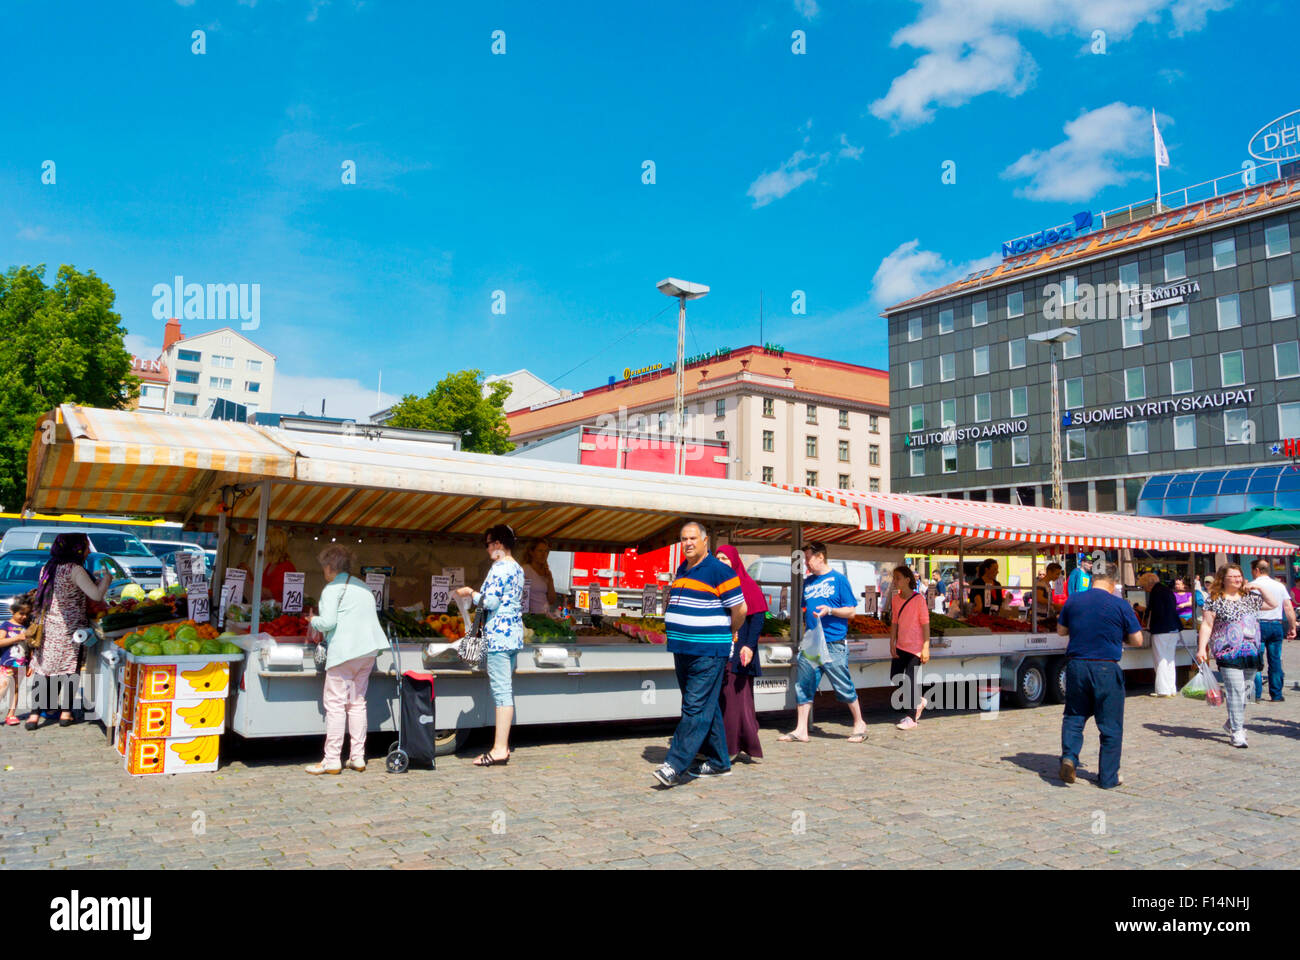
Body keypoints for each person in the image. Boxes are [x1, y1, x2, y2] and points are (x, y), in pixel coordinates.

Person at [654, 521, 746, 787]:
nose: (688, 543)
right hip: (683, 648)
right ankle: (719, 762)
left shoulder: (719, 571)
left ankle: (674, 764)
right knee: (706, 705)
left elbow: (739, 610)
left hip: (708, 650)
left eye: (693, 538)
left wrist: (727, 632)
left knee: (693, 706)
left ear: (706, 541)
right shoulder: (683, 568)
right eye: (684, 539)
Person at [305, 545, 389, 774]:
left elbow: (329, 622)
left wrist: (314, 620)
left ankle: (332, 759)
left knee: (335, 705)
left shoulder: (332, 589)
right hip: (367, 654)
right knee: (356, 703)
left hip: (344, 655)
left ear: (330, 567)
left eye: (324, 566)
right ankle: (358, 757)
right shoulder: (363, 587)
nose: (324, 571)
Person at [1056, 573, 1143, 788]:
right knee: (1110, 725)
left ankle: (1069, 757)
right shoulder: (1120, 604)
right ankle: (1108, 777)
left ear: (1093, 581)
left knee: (1074, 716)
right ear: (1113, 584)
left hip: (1077, 665)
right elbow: (1138, 640)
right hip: (1106, 667)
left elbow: (1060, 631)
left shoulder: (1074, 600)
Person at [778, 542, 869, 744]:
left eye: (808, 558)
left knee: (842, 684)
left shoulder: (839, 580)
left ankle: (859, 723)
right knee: (804, 685)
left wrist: (831, 610)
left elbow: (851, 611)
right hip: (811, 643)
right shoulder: (808, 582)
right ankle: (801, 729)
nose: (806, 563)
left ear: (820, 557)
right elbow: (804, 610)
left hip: (833, 642)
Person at [25, 533, 111, 730]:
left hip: (47, 627)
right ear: (76, 548)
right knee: (70, 670)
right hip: (70, 629)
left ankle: (33, 716)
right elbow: (96, 595)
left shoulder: (48, 567)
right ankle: (65, 713)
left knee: (42, 670)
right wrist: (106, 579)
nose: (88, 550)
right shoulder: (75, 569)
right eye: (86, 546)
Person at [456, 524, 525, 767]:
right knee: (505, 691)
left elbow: (491, 601)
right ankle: (502, 746)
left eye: (488, 544)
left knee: (501, 693)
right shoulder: (517, 568)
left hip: (497, 637)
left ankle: (499, 749)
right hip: (514, 636)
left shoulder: (499, 566)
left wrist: (470, 593)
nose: (487, 550)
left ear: (497, 544)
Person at [1197, 564, 1275, 748]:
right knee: (1236, 691)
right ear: (1223, 579)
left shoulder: (1249, 598)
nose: (1237, 579)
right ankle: (1238, 731)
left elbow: (1273, 604)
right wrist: (1202, 648)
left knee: (1246, 692)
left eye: (1239, 576)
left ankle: (1232, 722)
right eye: (1232, 576)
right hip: (1227, 651)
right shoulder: (1214, 599)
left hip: (1251, 650)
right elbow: (1207, 625)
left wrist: (1260, 587)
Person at [714, 545, 766, 763]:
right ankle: (742, 741)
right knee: (730, 700)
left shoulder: (746, 584)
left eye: (726, 558)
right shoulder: (716, 583)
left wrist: (749, 646)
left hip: (740, 651)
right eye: (718, 558)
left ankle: (731, 746)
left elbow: (758, 617)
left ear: (734, 561)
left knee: (735, 700)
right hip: (720, 648)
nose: (722, 562)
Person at [888, 565, 930, 730]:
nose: (895, 581)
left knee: (911, 680)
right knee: (895, 677)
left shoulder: (919, 599)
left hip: (916, 648)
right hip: (901, 645)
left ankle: (910, 717)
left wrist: (926, 647)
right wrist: (892, 642)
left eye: (898, 578)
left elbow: (925, 624)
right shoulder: (896, 599)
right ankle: (918, 701)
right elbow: (894, 622)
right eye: (894, 578)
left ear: (907, 580)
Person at [1249, 559, 1295, 702]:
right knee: (1275, 661)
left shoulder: (1251, 586)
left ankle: (1256, 694)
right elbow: (1288, 607)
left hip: (1257, 625)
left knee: (1256, 660)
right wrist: (1292, 626)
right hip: (1276, 624)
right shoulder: (1279, 586)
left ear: (1256, 570)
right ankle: (1276, 694)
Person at [1139, 572, 1181, 697]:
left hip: (1161, 629)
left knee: (1160, 659)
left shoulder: (1155, 592)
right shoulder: (1167, 590)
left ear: (1148, 583)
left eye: (1143, 586)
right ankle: (1172, 688)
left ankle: (1163, 689)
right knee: (1170, 659)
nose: (1144, 588)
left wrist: (1147, 619)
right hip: (1173, 628)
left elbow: (1156, 611)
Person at [1, 593, 34, 725]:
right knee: (2, 686)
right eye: (21, 613)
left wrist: (31, 664)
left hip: (20, 664)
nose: (24, 617)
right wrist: (16, 638)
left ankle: (11, 714)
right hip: (5, 664)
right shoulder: (6, 625)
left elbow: (30, 647)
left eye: (26, 614)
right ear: (12, 611)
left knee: (15, 689)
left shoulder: (27, 627)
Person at [259, 527, 298, 604]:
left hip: (277, 613)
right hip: (265, 610)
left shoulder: (287, 567)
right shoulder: (271, 564)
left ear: (273, 545)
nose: (263, 545)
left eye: (266, 542)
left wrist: (249, 582)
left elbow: (271, 594)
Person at [521, 538, 558, 615]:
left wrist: (550, 580)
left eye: (546, 551)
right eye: (540, 551)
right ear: (531, 552)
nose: (544, 554)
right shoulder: (525, 570)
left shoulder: (547, 572)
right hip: (530, 617)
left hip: (545, 616)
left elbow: (552, 600)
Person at [1033, 562, 1064, 628]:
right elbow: (1039, 598)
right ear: (1049, 572)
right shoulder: (1041, 584)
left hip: (1045, 617)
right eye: (1057, 574)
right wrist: (1053, 604)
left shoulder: (1048, 585)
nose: (1058, 576)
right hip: (1039, 619)